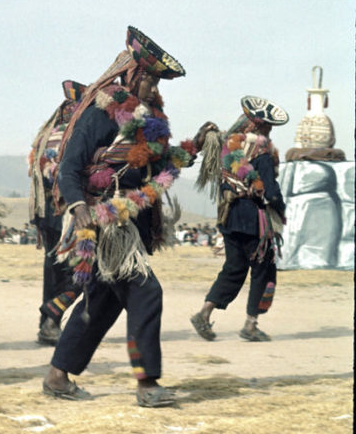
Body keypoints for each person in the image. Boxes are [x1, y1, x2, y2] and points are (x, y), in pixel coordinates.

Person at [42, 26, 215, 407]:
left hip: (131, 222)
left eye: (157, 80)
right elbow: (69, 166)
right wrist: (78, 205)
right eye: (149, 77)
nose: (154, 86)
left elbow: (153, 170)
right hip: (105, 223)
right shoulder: (98, 114)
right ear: (131, 74)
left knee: (101, 304)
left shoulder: (151, 123)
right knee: (146, 292)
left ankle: (57, 375)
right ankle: (147, 382)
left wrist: (195, 146)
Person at [190, 95, 288, 342]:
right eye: (267, 126)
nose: (269, 131)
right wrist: (281, 209)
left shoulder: (229, 147)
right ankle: (251, 324)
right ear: (258, 126)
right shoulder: (263, 151)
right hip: (254, 221)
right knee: (263, 270)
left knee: (233, 268)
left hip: (229, 216)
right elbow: (270, 190)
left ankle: (204, 313)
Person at [28, 80, 86, 345]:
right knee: (78, 270)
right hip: (65, 212)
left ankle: (48, 324)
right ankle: (51, 321)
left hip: (51, 212)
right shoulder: (70, 134)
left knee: (55, 270)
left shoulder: (48, 134)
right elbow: (61, 172)